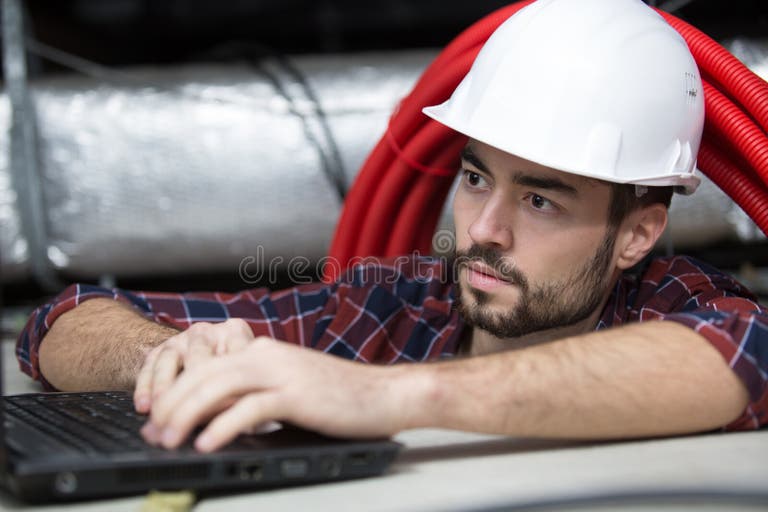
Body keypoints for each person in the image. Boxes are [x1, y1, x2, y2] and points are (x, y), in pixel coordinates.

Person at [16, 0, 768, 453]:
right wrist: (169, 355)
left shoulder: (677, 305)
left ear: (636, 233)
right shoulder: (387, 308)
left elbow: (742, 353)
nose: (486, 230)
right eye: (476, 180)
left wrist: (382, 397)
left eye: (541, 200)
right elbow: (59, 320)